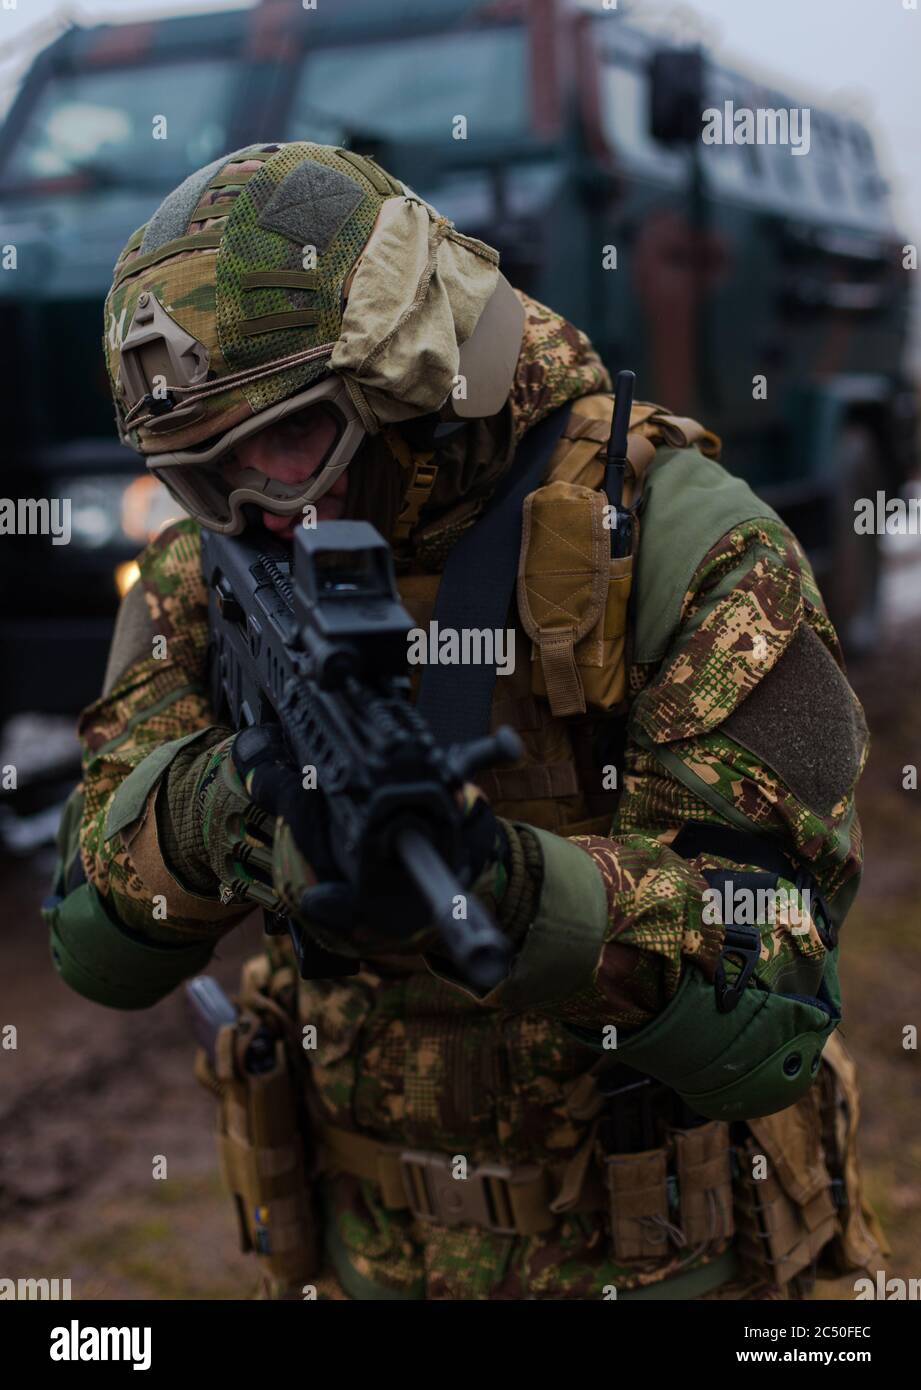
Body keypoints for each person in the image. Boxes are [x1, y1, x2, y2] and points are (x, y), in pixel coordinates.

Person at [45, 141, 885, 1300]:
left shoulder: (679, 538)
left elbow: (778, 985)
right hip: (360, 1254)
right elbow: (91, 941)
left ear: (405, 371)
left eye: (288, 443)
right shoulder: (210, 568)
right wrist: (227, 813)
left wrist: (511, 889)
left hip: (674, 1265)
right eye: (201, 472)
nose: (254, 510)